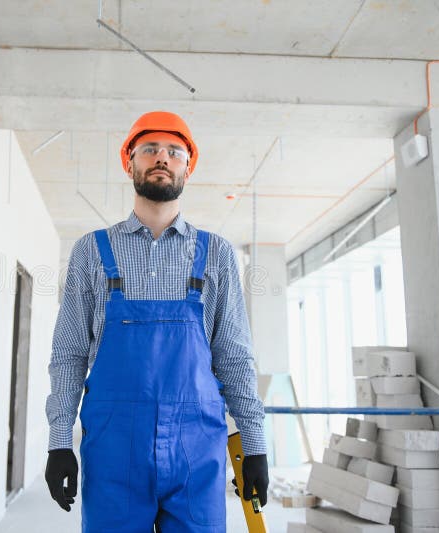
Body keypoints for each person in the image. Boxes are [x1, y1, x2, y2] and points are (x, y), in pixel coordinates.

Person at [45, 111, 268, 532]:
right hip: (113, 451)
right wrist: (59, 442)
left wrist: (254, 444)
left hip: (196, 453)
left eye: (174, 151)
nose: (162, 158)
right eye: (149, 149)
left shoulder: (217, 254)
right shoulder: (91, 251)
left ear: (188, 167)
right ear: (129, 161)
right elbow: (69, 354)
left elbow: (234, 357)